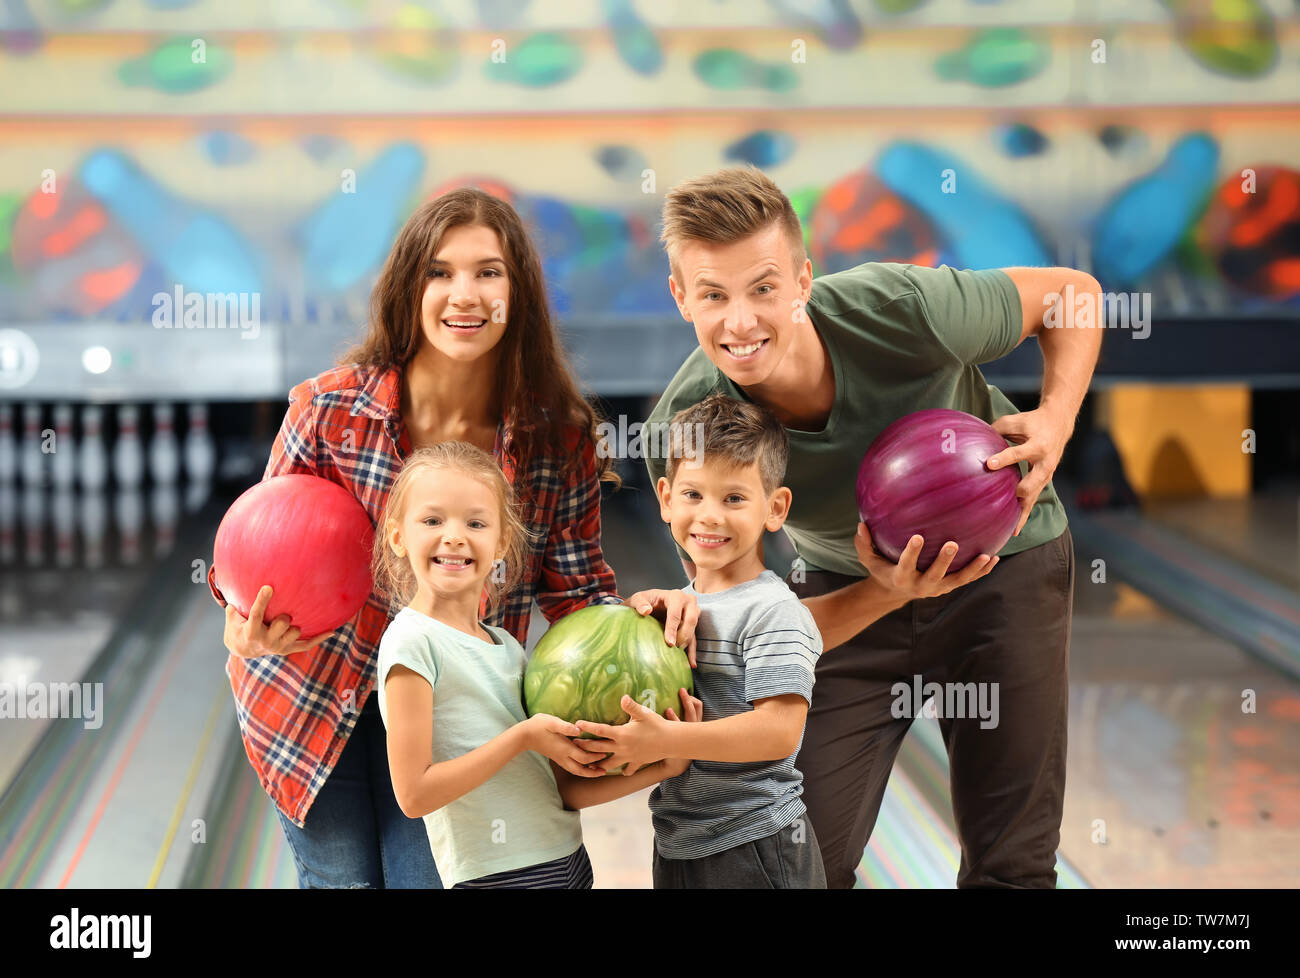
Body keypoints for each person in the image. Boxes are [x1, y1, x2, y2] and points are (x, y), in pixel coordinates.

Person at [209, 187, 700, 889]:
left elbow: (581, 597)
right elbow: (253, 555)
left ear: (518, 292)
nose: (462, 294)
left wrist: (645, 621)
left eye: (487, 272)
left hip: (452, 720)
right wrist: (240, 622)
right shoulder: (330, 411)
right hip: (315, 701)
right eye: (440, 272)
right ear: (411, 286)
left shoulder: (554, 441)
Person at [643, 166, 1102, 888]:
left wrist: (1056, 419)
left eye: (764, 288)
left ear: (802, 280)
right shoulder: (688, 432)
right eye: (713, 295)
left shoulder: (903, 307)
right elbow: (748, 615)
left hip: (1006, 569)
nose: (740, 321)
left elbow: (1072, 296)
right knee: (798, 861)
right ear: (681, 297)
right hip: (846, 592)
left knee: (1012, 863)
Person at [373, 441, 703, 888]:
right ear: (398, 535)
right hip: (496, 877)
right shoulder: (413, 643)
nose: (453, 535)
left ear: (502, 541)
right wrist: (523, 736)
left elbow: (563, 791)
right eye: (432, 520)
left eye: (475, 522)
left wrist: (666, 766)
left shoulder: (507, 646)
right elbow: (414, 795)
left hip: (566, 860)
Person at [578, 393, 826, 889]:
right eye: (694, 495)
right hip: (679, 840)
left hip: (756, 844)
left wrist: (671, 741)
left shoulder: (773, 611)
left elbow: (779, 731)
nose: (710, 515)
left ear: (774, 508)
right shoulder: (676, 606)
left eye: (734, 498)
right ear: (666, 499)